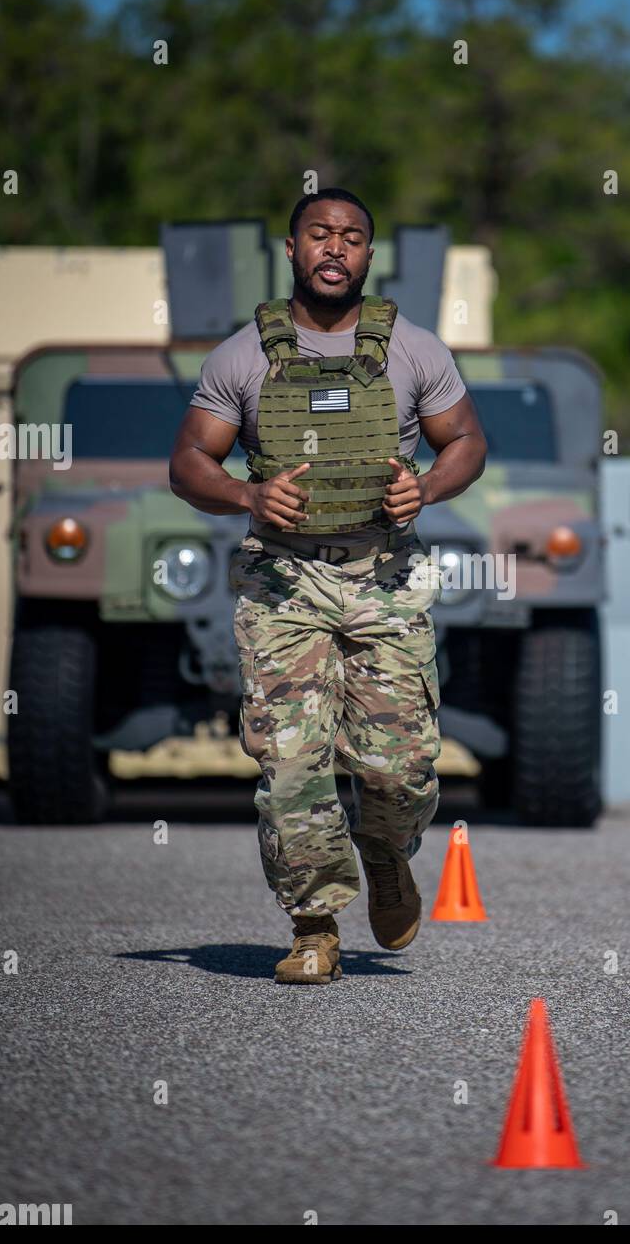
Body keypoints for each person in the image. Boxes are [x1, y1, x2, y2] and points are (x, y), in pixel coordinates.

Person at [169, 188, 487, 983]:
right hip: (284, 584)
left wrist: (430, 487)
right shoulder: (240, 356)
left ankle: (386, 852)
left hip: (384, 578)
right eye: (320, 234)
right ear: (291, 249)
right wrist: (245, 493)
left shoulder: (413, 350)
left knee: (401, 769)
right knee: (289, 765)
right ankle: (313, 924)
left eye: (350, 237)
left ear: (367, 256)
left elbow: (468, 442)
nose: (334, 248)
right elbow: (187, 464)